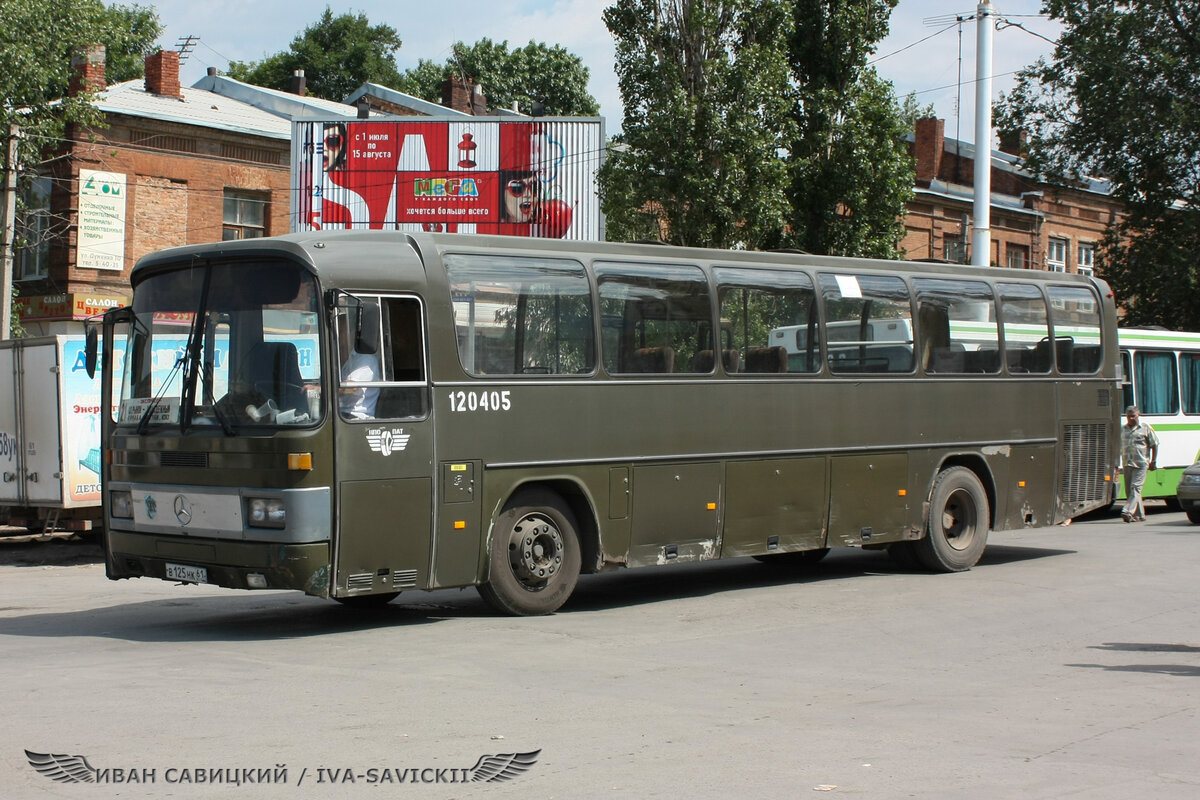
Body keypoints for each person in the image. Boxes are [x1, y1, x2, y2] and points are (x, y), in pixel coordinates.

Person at [338, 312, 380, 419]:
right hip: (343, 412)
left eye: (342, 331)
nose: (339, 336)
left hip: (356, 416)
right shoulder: (351, 357)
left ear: (353, 333)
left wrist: (320, 390)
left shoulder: (366, 358)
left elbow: (351, 388)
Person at [1121, 405, 1159, 522]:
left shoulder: (1145, 428)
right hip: (1127, 463)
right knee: (1130, 491)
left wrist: (1153, 461)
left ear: (1139, 415)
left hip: (1141, 463)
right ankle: (1139, 515)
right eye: (1128, 416)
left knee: (1135, 488)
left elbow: (1155, 444)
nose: (1131, 418)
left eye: (1133, 416)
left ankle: (1127, 511)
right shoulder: (1123, 429)